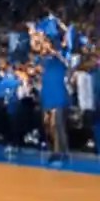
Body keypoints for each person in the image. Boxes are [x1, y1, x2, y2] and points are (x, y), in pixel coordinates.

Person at [32, 24, 70, 164]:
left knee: (57, 123)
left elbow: (64, 56)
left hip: (58, 94)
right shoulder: (42, 60)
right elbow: (35, 65)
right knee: (48, 124)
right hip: (47, 94)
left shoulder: (60, 56)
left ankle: (58, 152)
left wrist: (53, 48)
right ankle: (62, 151)